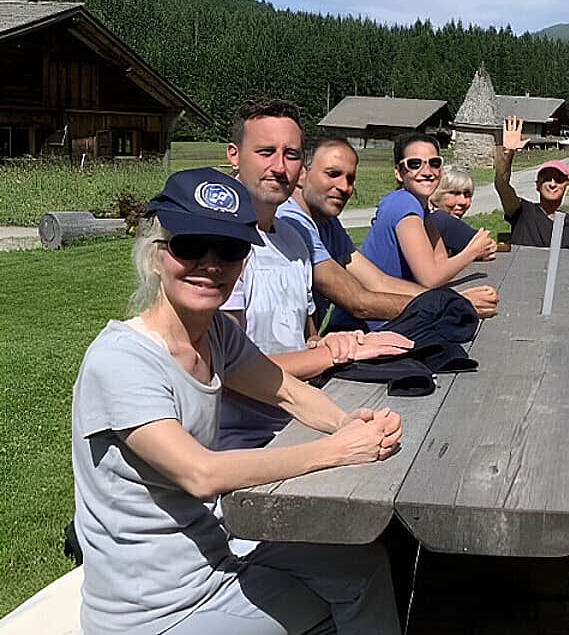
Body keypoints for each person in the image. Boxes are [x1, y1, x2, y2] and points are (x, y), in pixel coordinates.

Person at [71, 167, 402, 634]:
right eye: (189, 246)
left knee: (361, 565)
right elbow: (201, 474)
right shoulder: (121, 361)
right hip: (155, 610)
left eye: (228, 249)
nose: (210, 263)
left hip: (215, 554)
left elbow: (285, 390)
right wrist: (338, 450)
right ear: (156, 256)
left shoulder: (216, 334)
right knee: (344, 597)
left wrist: (348, 422)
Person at [220, 99, 411, 449]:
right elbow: (229, 368)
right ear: (234, 155)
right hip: (242, 443)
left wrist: (332, 342)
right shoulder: (220, 247)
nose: (279, 167)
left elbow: (304, 339)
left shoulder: (294, 239)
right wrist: (337, 354)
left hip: (302, 421)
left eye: (291, 155)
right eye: (265, 152)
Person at [278, 138, 498, 331]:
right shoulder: (294, 224)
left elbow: (378, 281)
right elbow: (358, 302)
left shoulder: (328, 222)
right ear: (301, 175)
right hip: (354, 330)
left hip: (338, 335)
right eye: (333, 174)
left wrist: (446, 301)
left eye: (350, 178)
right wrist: (452, 303)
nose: (343, 186)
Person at [360, 134, 495, 287]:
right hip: (379, 307)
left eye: (434, 163)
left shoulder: (420, 210)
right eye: (415, 164)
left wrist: (428, 217)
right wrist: (473, 251)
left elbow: (440, 263)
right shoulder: (404, 203)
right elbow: (430, 279)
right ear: (398, 172)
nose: (427, 172)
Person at [494, 115, 569, 248]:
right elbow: (501, 184)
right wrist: (508, 153)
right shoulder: (522, 212)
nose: (552, 184)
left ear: (567, 187)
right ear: (537, 185)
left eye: (558, 180)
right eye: (546, 179)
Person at [428, 166, 482, 256]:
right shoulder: (440, 219)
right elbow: (486, 246)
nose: (463, 202)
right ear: (436, 194)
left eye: (467, 194)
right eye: (455, 193)